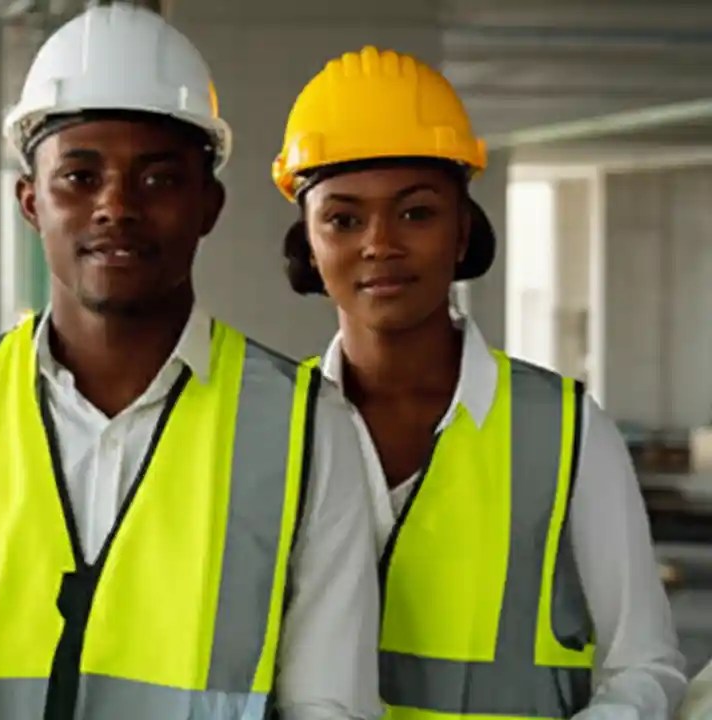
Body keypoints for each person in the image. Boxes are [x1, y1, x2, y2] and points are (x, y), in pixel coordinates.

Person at [0, 4, 383, 719]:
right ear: (30, 201)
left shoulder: (308, 429)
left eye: (156, 180)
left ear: (208, 204)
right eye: (79, 177)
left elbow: (328, 708)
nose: (115, 207)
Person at [273, 45, 688, 718]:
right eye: (343, 219)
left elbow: (643, 663)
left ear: (463, 231)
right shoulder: (267, 429)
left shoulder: (564, 431)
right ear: (310, 246)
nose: (380, 243)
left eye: (415, 212)